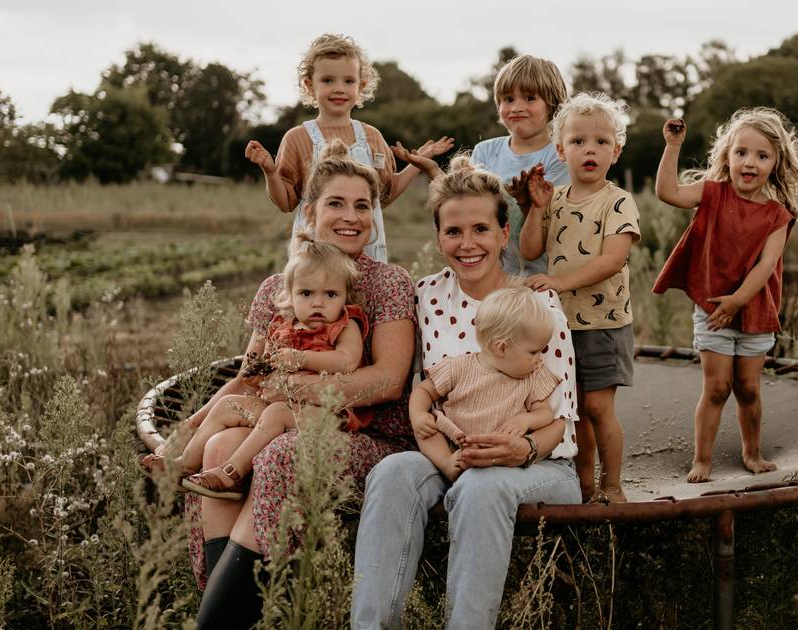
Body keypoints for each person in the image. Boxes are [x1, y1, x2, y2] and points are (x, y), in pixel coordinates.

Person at [189, 139, 429, 629]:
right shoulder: (280, 286)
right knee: (217, 446)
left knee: (281, 453)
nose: (351, 216)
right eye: (336, 203)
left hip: (368, 434)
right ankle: (227, 605)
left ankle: (226, 619)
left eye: (363, 205)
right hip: (286, 419)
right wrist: (188, 427)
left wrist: (293, 387)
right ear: (309, 214)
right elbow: (251, 376)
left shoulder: (388, 283)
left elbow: (385, 382)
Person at [352, 157, 580, 629]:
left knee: (482, 485)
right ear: (438, 238)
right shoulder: (428, 296)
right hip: (449, 450)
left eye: (481, 228)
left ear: (504, 234)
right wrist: (443, 457)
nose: (467, 243)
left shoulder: (539, 304)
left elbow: (562, 417)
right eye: (453, 232)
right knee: (393, 472)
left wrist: (522, 448)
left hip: (538, 462)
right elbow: (422, 393)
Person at [651, 108, 798, 483]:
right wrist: (672, 146)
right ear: (727, 156)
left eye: (762, 156)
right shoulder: (712, 194)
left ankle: (752, 453)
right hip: (714, 308)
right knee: (716, 387)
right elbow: (667, 192)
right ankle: (702, 459)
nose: (750, 162)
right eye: (742, 153)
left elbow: (766, 266)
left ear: (776, 163)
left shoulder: (778, 215)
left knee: (748, 388)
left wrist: (737, 301)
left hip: (754, 309)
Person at [140, 233, 368, 501]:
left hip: (328, 414)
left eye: (331, 294)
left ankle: (231, 474)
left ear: (345, 298)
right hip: (278, 406)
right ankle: (184, 463)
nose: (318, 303)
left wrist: (302, 359)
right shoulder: (282, 327)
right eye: (306, 293)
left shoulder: (343, 325)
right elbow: (259, 373)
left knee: (278, 413)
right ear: (290, 296)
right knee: (229, 406)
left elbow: (347, 360)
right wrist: (261, 371)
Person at [517, 92, 640, 504]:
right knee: (576, 415)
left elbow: (610, 260)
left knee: (600, 408)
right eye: (579, 141)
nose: (591, 149)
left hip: (603, 324)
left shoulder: (618, 201)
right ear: (560, 149)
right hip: (562, 327)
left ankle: (613, 486)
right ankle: (585, 489)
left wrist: (558, 282)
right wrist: (535, 209)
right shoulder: (554, 200)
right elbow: (530, 249)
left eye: (602, 142)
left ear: (616, 151)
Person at [243, 33, 453, 261]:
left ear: (361, 86)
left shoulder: (372, 137)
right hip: (316, 253)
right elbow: (285, 203)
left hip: (366, 249)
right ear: (309, 85)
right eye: (328, 80)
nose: (339, 89)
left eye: (349, 81)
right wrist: (270, 172)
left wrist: (417, 163)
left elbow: (383, 195)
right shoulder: (297, 138)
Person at [411, 285, 560, 481]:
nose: (540, 358)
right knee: (430, 429)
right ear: (501, 348)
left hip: (498, 451)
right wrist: (418, 415)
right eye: (534, 352)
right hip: (452, 440)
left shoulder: (532, 376)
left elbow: (545, 413)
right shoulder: (458, 368)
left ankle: (479, 474)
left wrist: (525, 420)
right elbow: (424, 391)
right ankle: (447, 464)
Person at [470, 54, 570, 275]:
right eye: (508, 99)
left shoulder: (560, 156)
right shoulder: (484, 151)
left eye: (529, 98)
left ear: (551, 104)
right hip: (489, 276)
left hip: (540, 278)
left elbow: (550, 219)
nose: (516, 107)